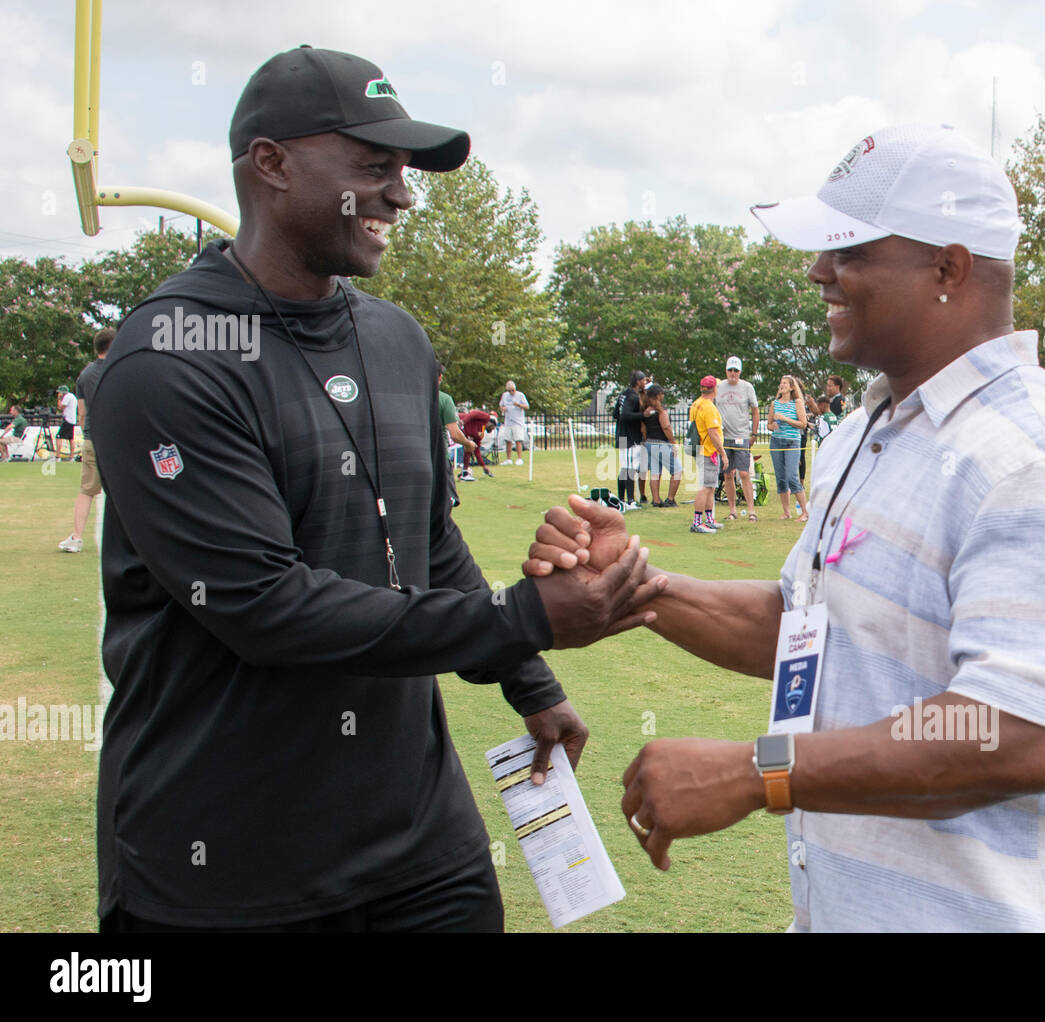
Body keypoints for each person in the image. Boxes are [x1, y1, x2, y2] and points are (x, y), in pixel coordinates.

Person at [525, 123, 1045, 931]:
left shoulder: (1036, 461)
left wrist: (759, 772)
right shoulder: (871, 430)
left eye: (851, 250)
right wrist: (637, 587)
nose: (818, 271)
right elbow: (812, 628)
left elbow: (1019, 732)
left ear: (949, 266)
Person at [90, 45, 660, 934]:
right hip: (223, 863)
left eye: (404, 168)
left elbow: (426, 540)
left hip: (420, 850)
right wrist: (526, 617)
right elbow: (264, 608)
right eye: (373, 164)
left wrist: (528, 680)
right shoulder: (169, 358)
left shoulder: (396, 338)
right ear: (271, 164)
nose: (402, 191)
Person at [57, 329, 115, 553]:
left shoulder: (84, 375)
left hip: (93, 437)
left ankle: (77, 537)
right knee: (122, 491)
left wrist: (87, 431)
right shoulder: (118, 369)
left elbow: (82, 413)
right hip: (117, 439)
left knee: (86, 491)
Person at [716, 356, 760, 522]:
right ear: (726, 370)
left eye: (736, 370)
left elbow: (755, 410)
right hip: (724, 437)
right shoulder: (719, 387)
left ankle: (751, 511)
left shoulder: (747, 387)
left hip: (741, 435)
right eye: (730, 370)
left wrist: (753, 433)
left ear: (740, 371)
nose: (733, 373)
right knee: (728, 474)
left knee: (744, 473)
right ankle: (732, 510)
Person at [688, 375, 728, 533]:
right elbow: (713, 433)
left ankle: (709, 519)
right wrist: (723, 453)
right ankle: (697, 521)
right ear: (714, 389)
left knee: (711, 486)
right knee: (705, 487)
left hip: (701, 449)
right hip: (708, 451)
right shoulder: (709, 407)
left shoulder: (696, 404)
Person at [767, 375, 807, 521]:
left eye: (785, 383)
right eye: (781, 382)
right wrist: (773, 426)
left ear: (791, 387)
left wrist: (785, 419)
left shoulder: (797, 402)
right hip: (776, 442)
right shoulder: (775, 404)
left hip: (792, 442)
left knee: (792, 476)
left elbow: (803, 424)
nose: (782, 385)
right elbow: (768, 424)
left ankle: (804, 512)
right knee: (781, 478)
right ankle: (786, 512)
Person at [614, 370, 651, 509]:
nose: (645, 383)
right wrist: (643, 415)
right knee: (629, 467)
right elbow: (625, 415)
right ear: (638, 381)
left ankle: (621, 499)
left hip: (622, 434)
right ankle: (630, 501)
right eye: (643, 380)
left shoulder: (623, 394)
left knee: (625, 467)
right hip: (630, 437)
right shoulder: (633, 397)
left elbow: (615, 414)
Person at [641, 383, 681, 507]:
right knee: (678, 471)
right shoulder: (661, 411)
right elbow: (666, 427)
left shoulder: (645, 411)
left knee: (655, 472)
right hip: (661, 443)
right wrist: (673, 443)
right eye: (662, 394)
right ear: (659, 395)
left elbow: (643, 429)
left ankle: (656, 500)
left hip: (649, 443)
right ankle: (670, 499)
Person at [498, 380, 529, 464]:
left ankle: (519, 458)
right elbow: (501, 405)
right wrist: (503, 409)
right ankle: (508, 459)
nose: (511, 392)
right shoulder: (504, 395)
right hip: (508, 421)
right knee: (508, 440)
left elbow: (527, 407)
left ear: (515, 389)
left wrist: (518, 405)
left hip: (518, 421)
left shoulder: (520, 395)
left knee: (518, 440)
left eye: (513, 390)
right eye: (509, 390)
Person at [458, 407, 495, 478]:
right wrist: (463, 421)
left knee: (468, 450)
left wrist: (484, 466)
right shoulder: (485, 417)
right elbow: (474, 413)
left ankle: (465, 472)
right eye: (493, 425)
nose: (492, 428)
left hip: (460, 432)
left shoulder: (480, 434)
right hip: (457, 421)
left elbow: (476, 451)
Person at [55, 384, 77, 461]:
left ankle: (57, 456)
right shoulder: (73, 396)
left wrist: (59, 399)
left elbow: (60, 407)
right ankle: (72, 457)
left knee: (58, 437)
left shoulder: (67, 397)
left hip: (67, 419)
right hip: (72, 419)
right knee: (71, 438)